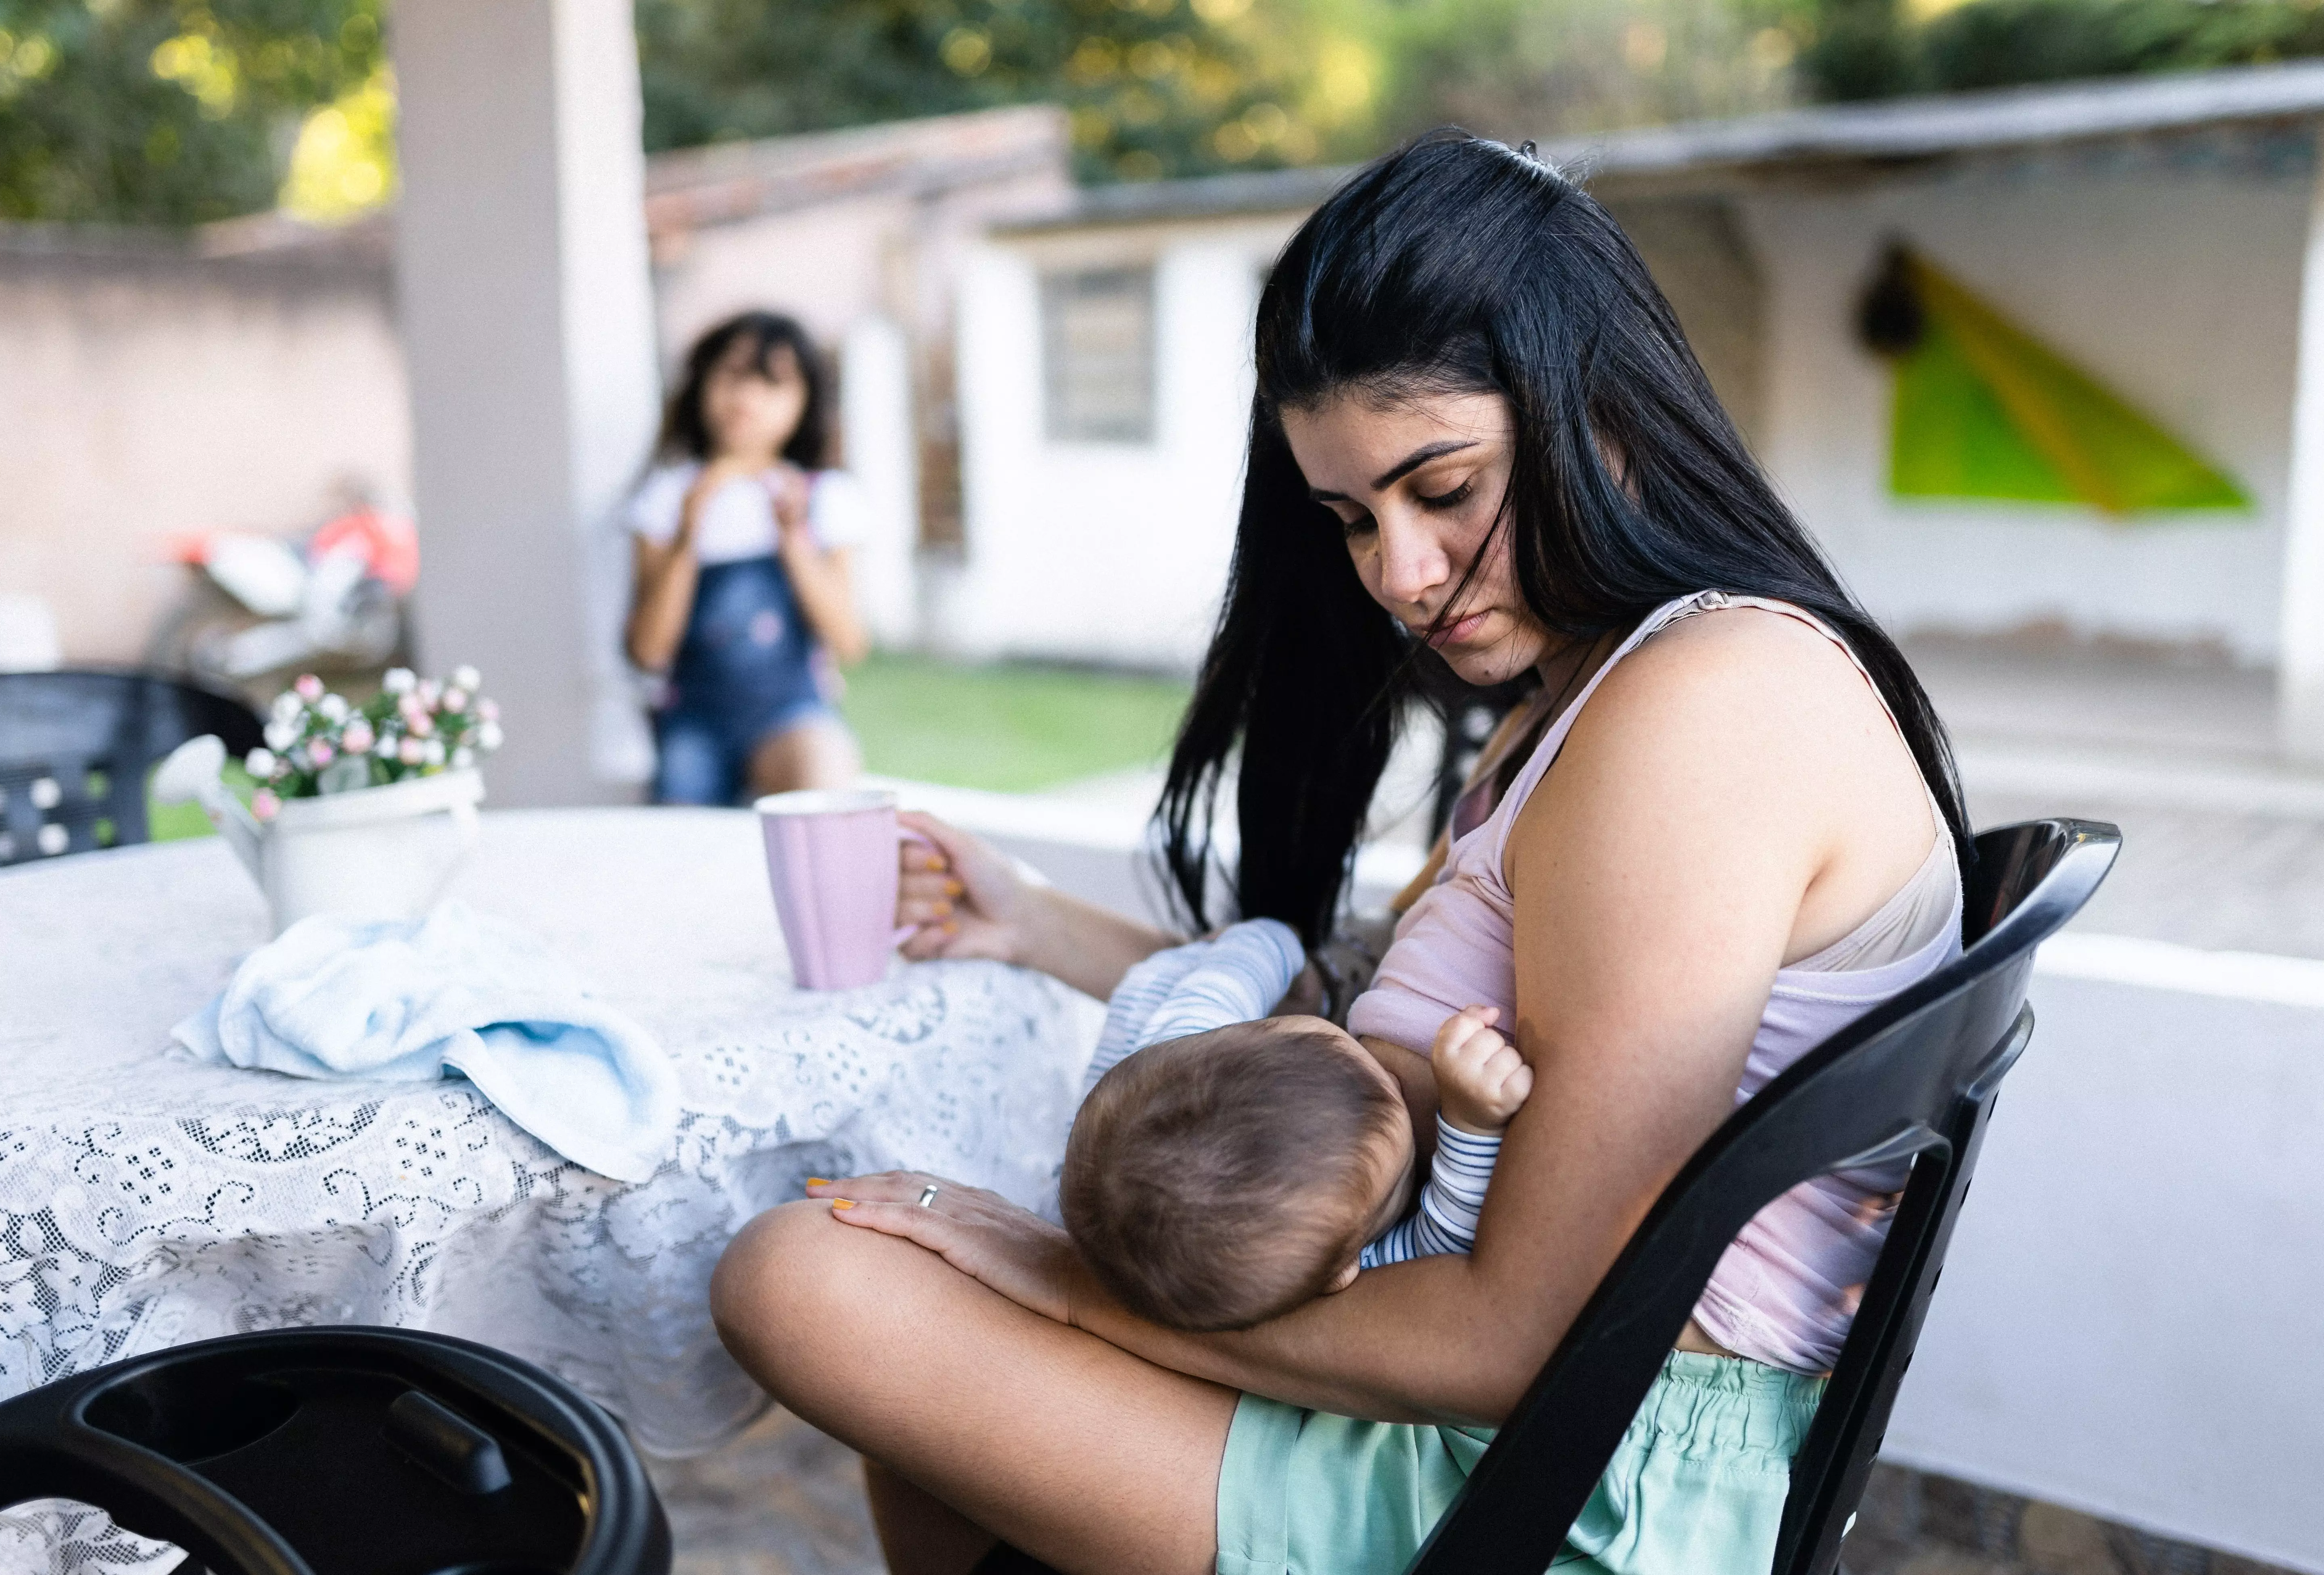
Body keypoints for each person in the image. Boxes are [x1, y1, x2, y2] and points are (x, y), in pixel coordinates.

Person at [710, 130, 1969, 1575]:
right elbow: (1340, 1044)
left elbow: (1521, 1331)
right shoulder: (1584, 698)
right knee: (910, 1323)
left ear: (1597, 408)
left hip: (1577, 1484)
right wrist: (1033, 921)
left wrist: (1063, 1283)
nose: (1395, 574)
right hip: (1524, 1418)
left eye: (1442, 490)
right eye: (1349, 519)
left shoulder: (1703, 710)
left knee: (809, 1273)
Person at [1065, 919, 1529, 1332]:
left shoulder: (1183, 1038)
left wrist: (1279, 945)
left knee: (1177, 979)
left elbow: (1233, 969)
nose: (1394, 1077)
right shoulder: (1350, 1260)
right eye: (1401, 1174)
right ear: (1341, 1274)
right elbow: (1444, 1242)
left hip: (1160, 1016)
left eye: (1347, 1045)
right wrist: (1471, 1123)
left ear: (1251, 1029)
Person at [625, 310, 869, 803]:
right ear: (702, 384)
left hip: (792, 710)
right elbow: (648, 651)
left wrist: (794, 538)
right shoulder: (667, 497)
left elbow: (849, 642)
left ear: (806, 401)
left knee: (826, 771)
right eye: (733, 376)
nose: (747, 398)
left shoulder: (823, 497)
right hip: (694, 719)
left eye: (772, 383)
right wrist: (689, 535)